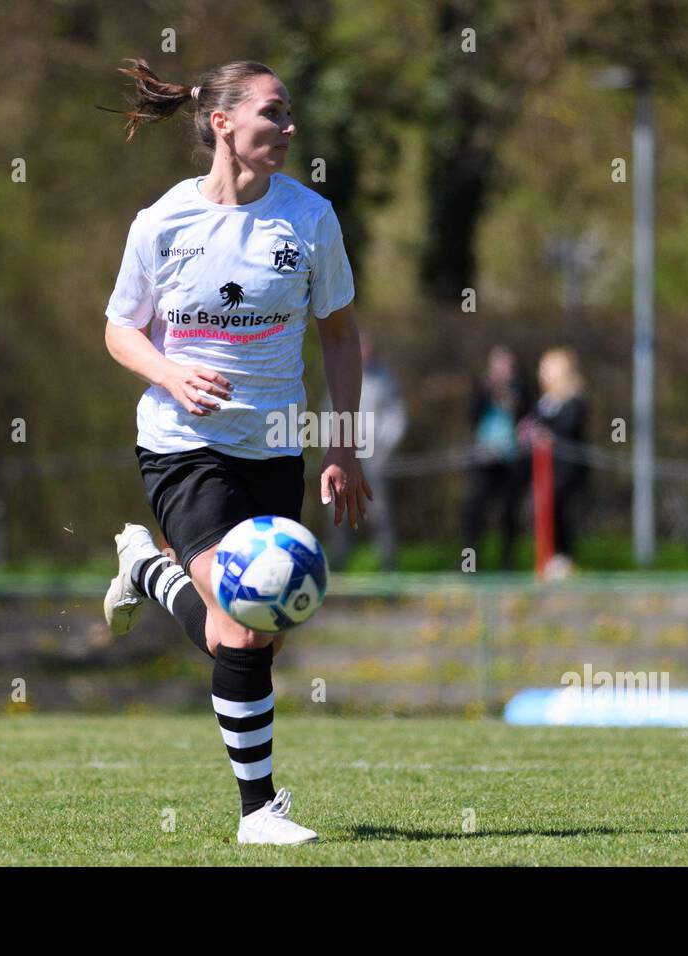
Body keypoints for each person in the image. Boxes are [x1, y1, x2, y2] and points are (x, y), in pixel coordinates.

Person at [99, 59, 370, 845]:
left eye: (289, 114)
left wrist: (344, 444)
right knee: (247, 623)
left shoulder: (311, 219)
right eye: (272, 113)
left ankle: (148, 572)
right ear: (222, 123)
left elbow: (340, 336)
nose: (289, 127)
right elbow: (120, 328)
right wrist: (169, 372)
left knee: (247, 633)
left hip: (274, 449)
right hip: (184, 447)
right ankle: (259, 813)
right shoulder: (161, 223)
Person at [325, 329, 407, 571]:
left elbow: (396, 417)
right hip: (342, 455)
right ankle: (338, 563)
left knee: (379, 511)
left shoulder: (385, 380)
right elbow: (328, 416)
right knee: (337, 511)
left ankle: (388, 564)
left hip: (374, 457)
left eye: (365, 347)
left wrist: (384, 448)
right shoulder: (338, 378)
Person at [520, 348, 588, 577]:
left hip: (567, 470)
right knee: (542, 509)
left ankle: (563, 557)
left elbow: (567, 428)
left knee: (558, 510)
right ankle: (549, 557)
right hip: (543, 469)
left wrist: (545, 434)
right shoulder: (543, 402)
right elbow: (529, 425)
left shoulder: (574, 400)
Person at [462, 345, 531, 569]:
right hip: (484, 459)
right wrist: (487, 392)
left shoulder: (522, 390)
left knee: (509, 512)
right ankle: (470, 561)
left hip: (512, 460)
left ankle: (508, 562)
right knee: (475, 508)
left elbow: (527, 418)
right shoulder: (482, 388)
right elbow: (472, 415)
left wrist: (513, 401)